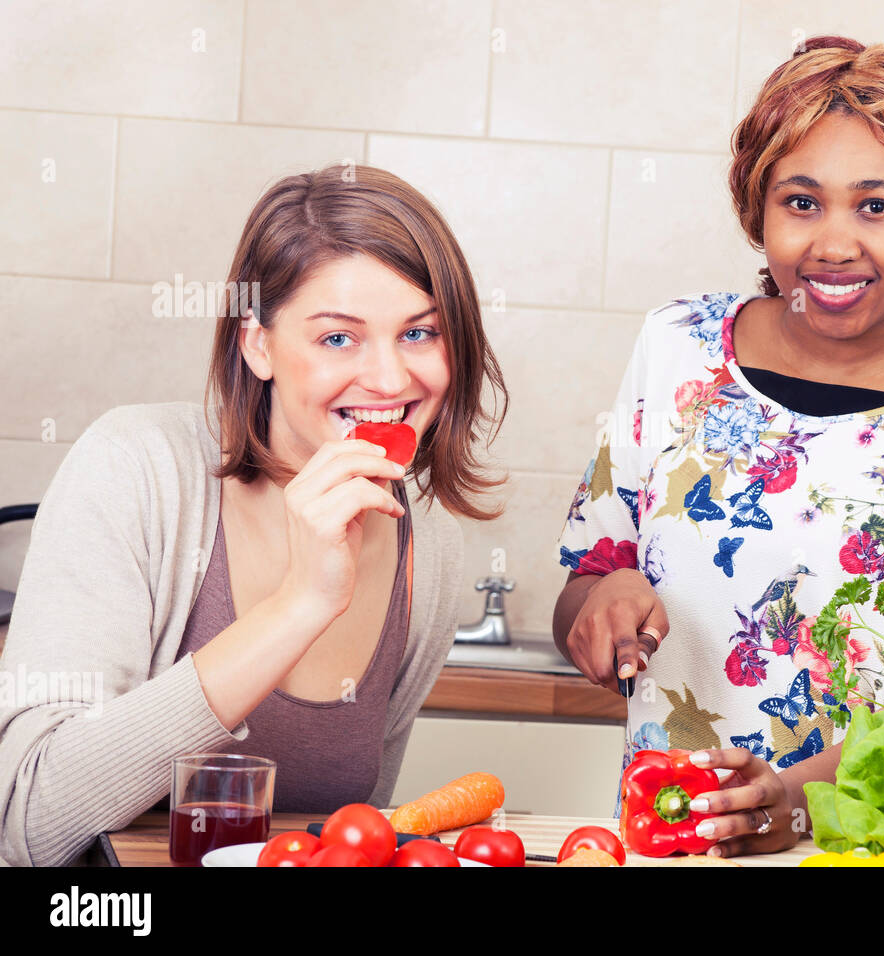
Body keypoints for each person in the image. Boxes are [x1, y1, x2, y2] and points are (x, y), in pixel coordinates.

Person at [552, 37, 884, 858]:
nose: (833, 243)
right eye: (802, 202)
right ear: (760, 210)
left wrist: (791, 802)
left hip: (875, 848)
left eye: (877, 206)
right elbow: (585, 587)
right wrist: (602, 603)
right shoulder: (676, 345)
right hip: (671, 840)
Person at [0, 164, 506, 866]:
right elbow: (26, 826)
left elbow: (342, 842)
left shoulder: (432, 547)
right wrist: (300, 604)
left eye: (420, 334)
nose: (392, 380)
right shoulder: (135, 468)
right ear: (257, 343)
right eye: (338, 338)